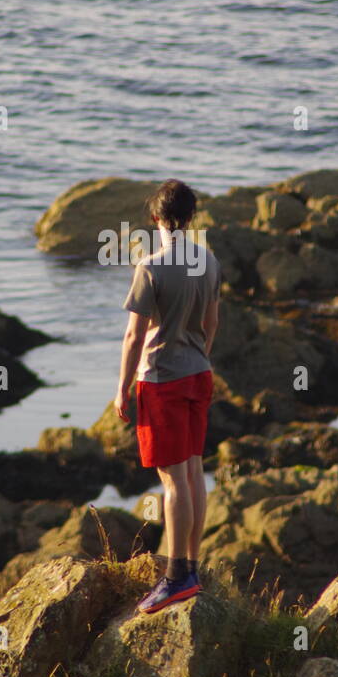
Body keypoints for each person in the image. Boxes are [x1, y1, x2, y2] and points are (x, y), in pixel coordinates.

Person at [115, 179, 221, 614]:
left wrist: (122, 388)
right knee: (194, 472)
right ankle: (191, 567)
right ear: (191, 217)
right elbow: (212, 323)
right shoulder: (208, 261)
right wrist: (198, 356)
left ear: (156, 218)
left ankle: (176, 577)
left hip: (162, 380)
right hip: (199, 374)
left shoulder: (151, 267)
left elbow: (133, 335)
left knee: (173, 481)